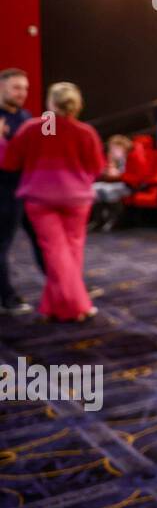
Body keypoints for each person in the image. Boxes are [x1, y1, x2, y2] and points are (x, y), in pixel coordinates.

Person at [0, 82, 103, 322]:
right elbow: (97, 167)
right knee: (71, 251)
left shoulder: (33, 128)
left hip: (40, 200)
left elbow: (9, 163)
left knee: (55, 252)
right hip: (77, 200)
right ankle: (73, 305)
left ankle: (64, 306)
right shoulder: (85, 132)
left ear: (50, 103)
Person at [0, 68, 38, 314]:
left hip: (28, 190)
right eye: (16, 87)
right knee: (2, 246)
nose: (22, 93)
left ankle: (66, 289)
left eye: (25, 88)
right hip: (3, 192)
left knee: (43, 242)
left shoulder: (27, 117)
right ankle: (7, 298)